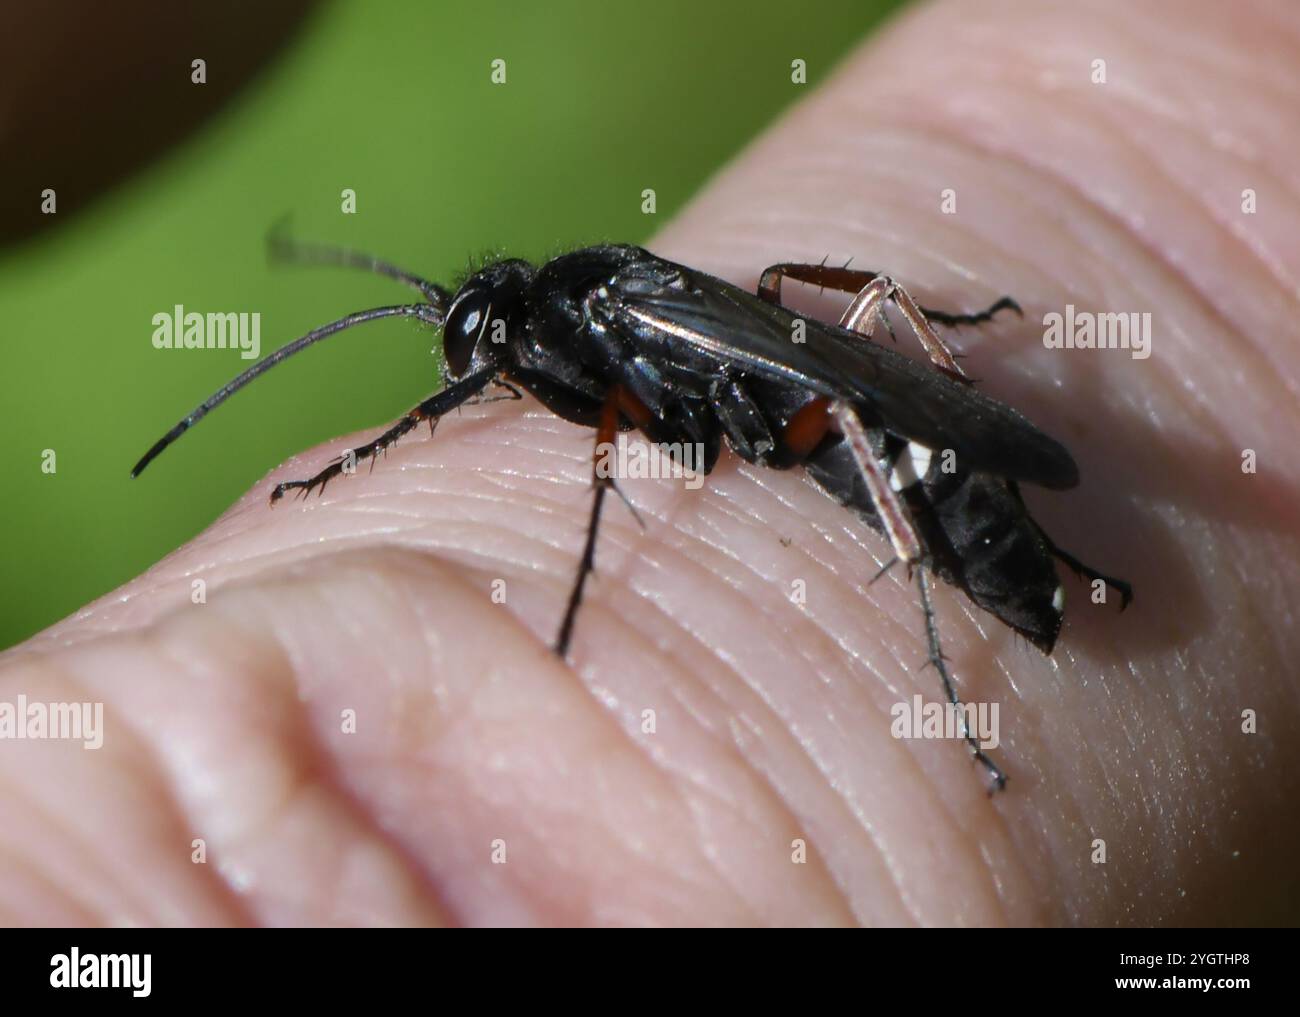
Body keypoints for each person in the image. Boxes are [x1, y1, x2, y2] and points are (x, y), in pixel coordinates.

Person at [3, 0, 1297, 925]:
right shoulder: (586, 321)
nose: (490, 376)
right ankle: (991, 488)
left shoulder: (611, 324)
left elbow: (678, 401)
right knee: (831, 342)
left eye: (486, 359)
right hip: (830, 412)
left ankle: (949, 660)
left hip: (859, 437)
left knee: (848, 392)